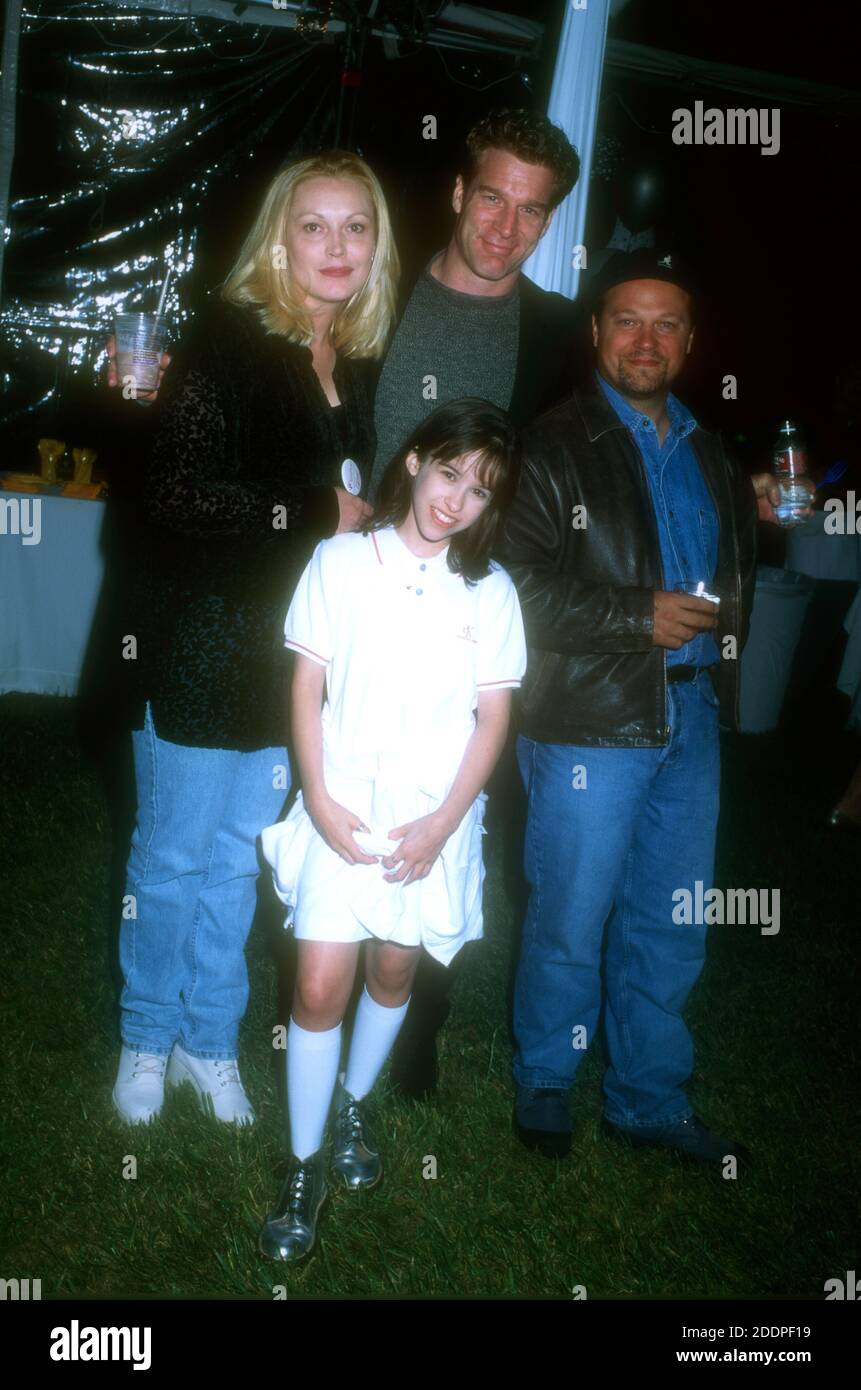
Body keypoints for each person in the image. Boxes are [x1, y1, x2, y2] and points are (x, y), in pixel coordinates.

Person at [111, 150, 398, 1126]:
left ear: (376, 244)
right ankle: (146, 1037)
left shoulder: (352, 362)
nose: (334, 245)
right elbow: (176, 494)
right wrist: (317, 507)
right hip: (201, 648)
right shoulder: (229, 344)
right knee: (170, 861)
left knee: (242, 862)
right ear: (279, 238)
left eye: (354, 226)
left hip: (290, 666)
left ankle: (208, 1042)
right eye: (312, 225)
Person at [496, 249, 759, 1163]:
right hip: (589, 721)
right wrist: (629, 618)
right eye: (626, 320)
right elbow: (509, 589)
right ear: (596, 332)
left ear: (689, 341)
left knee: (673, 917)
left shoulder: (710, 449)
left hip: (691, 722)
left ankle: (647, 1096)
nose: (645, 340)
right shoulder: (550, 443)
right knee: (571, 914)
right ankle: (544, 1078)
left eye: (666, 323)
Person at [257, 399, 526, 1260]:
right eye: (448, 472)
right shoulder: (340, 560)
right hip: (346, 802)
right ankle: (302, 1166)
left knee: (394, 964)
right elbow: (306, 685)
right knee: (316, 984)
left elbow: (492, 720)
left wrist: (444, 825)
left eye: (480, 491)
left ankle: (353, 1105)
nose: (456, 500)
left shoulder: (490, 592)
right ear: (414, 461)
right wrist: (320, 796)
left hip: (429, 815)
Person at [372, 107, 582, 1098]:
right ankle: (316, 1002)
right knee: (339, 801)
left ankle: (413, 1040)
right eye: (491, 196)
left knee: (455, 829)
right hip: (358, 600)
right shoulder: (376, 296)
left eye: (531, 211)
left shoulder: (555, 340)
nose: (505, 226)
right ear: (457, 191)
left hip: (471, 623)